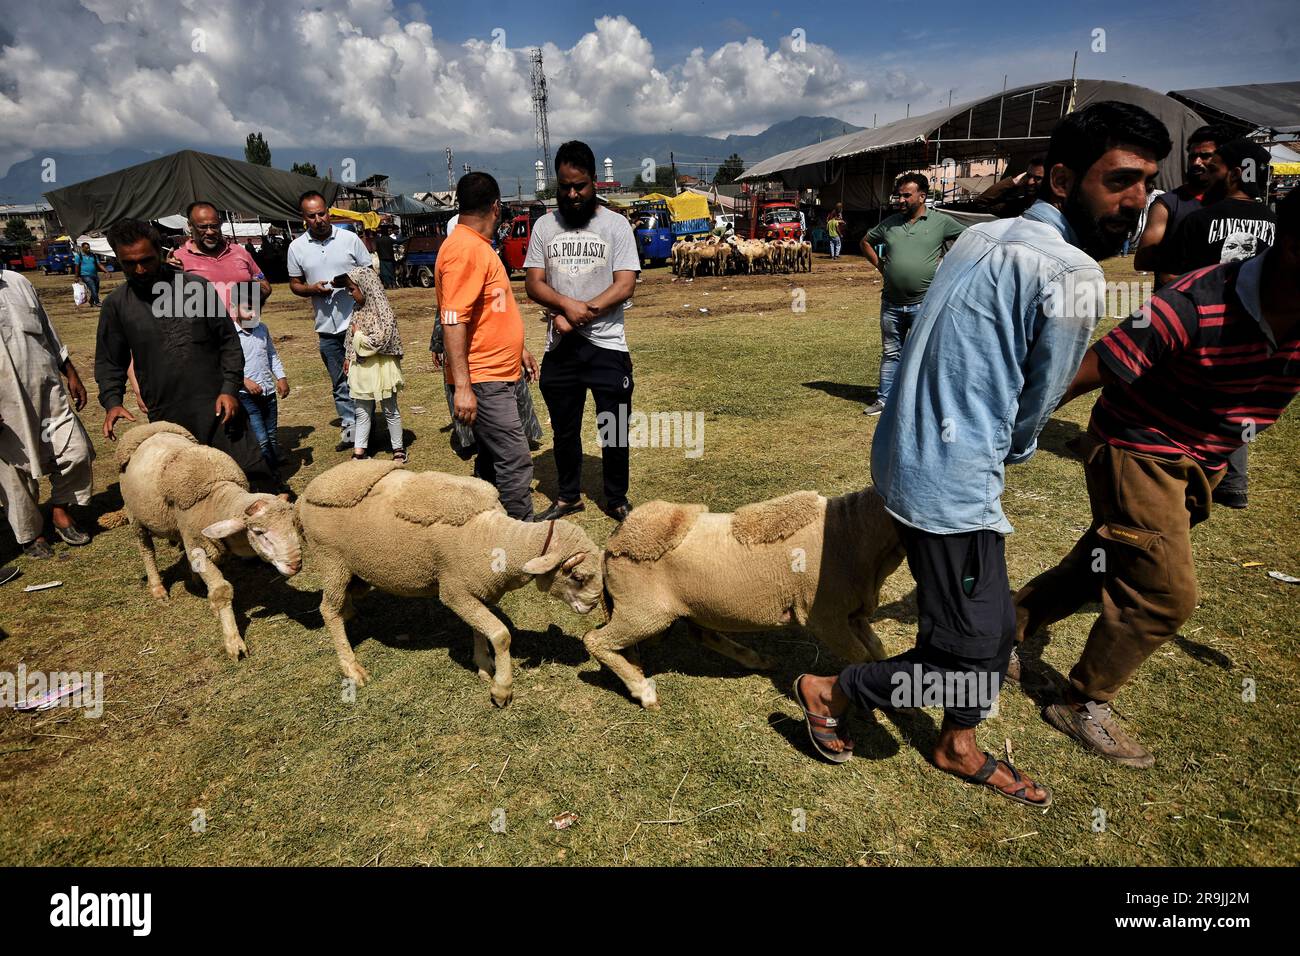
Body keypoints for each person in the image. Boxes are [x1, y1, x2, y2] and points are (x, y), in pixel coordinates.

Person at [795, 101, 1171, 807]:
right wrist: (1015, 446)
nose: (1136, 201)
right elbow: (1040, 397)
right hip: (949, 480)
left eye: (1147, 184)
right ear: (1063, 179)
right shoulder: (1069, 273)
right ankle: (836, 689)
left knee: (983, 634)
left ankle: (955, 739)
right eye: (1119, 180)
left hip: (909, 456)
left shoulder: (980, 235)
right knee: (973, 660)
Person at [1014, 187, 1300, 769]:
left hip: (1203, 460)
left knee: (1106, 561)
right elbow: (1095, 365)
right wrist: (1005, 430)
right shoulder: (1193, 303)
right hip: (1137, 446)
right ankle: (1081, 700)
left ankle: (1002, 631)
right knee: (1165, 591)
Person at [93, 218, 272, 487]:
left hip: (220, 406)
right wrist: (112, 401)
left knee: (250, 481)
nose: (140, 269)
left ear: (160, 253)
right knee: (193, 488)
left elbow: (228, 343)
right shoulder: (117, 305)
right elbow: (109, 361)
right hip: (168, 415)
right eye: (129, 263)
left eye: (147, 260)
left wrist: (230, 388)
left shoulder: (195, 288)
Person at [524, 140, 640, 522]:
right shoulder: (543, 226)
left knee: (614, 429)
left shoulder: (615, 224)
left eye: (580, 186)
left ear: (595, 183)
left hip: (606, 346)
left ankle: (616, 497)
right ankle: (568, 495)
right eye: (565, 187)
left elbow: (625, 285)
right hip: (561, 349)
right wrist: (566, 307)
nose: (572, 195)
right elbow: (534, 284)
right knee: (564, 430)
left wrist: (577, 313)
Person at [1161, 137, 1277, 509]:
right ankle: (1233, 484)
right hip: (1260, 331)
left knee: (1188, 400)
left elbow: (1169, 277)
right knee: (1237, 401)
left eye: (1215, 167)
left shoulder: (1200, 220)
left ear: (1235, 173)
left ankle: (1189, 474)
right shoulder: (1278, 223)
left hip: (1204, 327)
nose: (1208, 172)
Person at [436, 172, 540, 520]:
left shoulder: (476, 247)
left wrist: (519, 349)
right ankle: (519, 536)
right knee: (514, 458)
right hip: (484, 378)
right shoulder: (464, 251)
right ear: (496, 207)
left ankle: (484, 528)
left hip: (498, 372)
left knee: (495, 460)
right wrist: (464, 386)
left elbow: (490, 309)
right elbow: (453, 319)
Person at [0, 263, 95, 557]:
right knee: (13, 472)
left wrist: (71, 373)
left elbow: (48, 332)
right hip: (5, 403)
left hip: (47, 391)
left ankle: (60, 509)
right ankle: (31, 533)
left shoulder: (17, 281)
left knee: (76, 452)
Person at [859, 172, 965, 416]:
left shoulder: (940, 222)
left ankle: (921, 401)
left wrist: (950, 265)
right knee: (891, 353)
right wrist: (880, 265)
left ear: (922, 196)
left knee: (924, 354)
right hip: (891, 304)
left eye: (907, 195)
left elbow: (968, 238)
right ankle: (884, 400)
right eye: (899, 195)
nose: (901, 200)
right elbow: (865, 241)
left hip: (923, 304)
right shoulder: (890, 223)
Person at [286, 192, 372, 451]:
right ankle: (350, 433)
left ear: (329, 212)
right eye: (311, 216)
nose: (318, 219)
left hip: (356, 323)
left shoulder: (349, 239)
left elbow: (369, 274)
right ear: (304, 219)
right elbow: (294, 284)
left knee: (363, 381)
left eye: (322, 213)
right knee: (340, 383)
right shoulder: (296, 248)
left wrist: (351, 284)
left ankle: (367, 434)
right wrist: (312, 289)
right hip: (326, 328)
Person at [1133, 125, 1230, 274]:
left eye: (1205, 156)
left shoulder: (1232, 203)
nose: (1196, 162)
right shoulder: (1167, 204)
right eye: (1192, 157)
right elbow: (1142, 261)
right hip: (1177, 294)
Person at [341, 266, 405, 463]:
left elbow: (381, 339)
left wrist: (359, 335)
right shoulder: (357, 310)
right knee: (362, 409)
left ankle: (398, 448)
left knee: (390, 408)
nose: (350, 294)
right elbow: (350, 337)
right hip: (363, 367)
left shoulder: (383, 310)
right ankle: (360, 449)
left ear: (365, 286)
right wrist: (349, 355)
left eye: (352, 289)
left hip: (382, 366)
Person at [231, 285, 290, 484]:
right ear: (234, 307)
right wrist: (243, 381)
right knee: (261, 439)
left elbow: (272, 354)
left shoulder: (262, 329)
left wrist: (281, 377)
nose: (253, 313)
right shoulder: (230, 335)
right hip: (245, 395)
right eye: (248, 308)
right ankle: (271, 478)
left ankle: (274, 466)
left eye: (258, 308)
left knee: (272, 435)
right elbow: (223, 365)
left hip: (268, 392)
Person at [171, 201, 273, 317]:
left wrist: (247, 304)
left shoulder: (239, 252)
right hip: (208, 333)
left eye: (214, 226)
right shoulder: (178, 258)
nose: (209, 232)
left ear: (220, 223)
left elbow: (265, 286)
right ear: (190, 225)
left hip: (246, 330)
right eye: (203, 227)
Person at [977, 156, 1045, 218]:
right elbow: (979, 205)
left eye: (1038, 178)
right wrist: (1013, 181)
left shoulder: (1050, 209)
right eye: (1029, 176)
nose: (1030, 182)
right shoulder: (1018, 205)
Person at [73, 240, 105, 306]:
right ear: (82, 248)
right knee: (93, 287)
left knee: (96, 289)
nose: (88, 249)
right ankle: (97, 302)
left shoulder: (93, 255)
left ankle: (91, 301)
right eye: (86, 248)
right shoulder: (79, 256)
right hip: (85, 275)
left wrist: (106, 271)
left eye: (89, 247)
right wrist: (76, 277)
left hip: (94, 275)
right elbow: (77, 267)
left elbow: (99, 264)